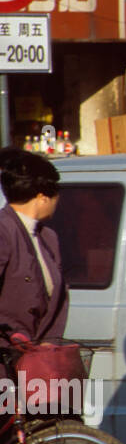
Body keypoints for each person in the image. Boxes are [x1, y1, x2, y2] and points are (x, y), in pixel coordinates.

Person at [0, 150, 70, 389]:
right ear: (42, 197)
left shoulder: (48, 238)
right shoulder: (4, 231)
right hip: (5, 360)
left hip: (37, 362)